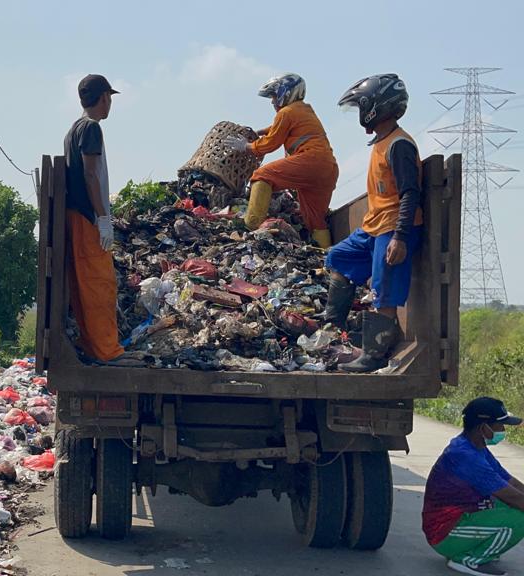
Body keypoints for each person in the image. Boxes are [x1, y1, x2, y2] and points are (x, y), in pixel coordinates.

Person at [324, 73, 423, 373]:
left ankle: (373, 356)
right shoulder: (381, 142)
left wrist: (400, 238)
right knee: (337, 257)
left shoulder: (399, 145)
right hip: (374, 227)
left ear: (378, 107)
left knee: (382, 292)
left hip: (394, 228)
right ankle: (333, 328)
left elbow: (410, 193)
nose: (359, 114)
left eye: (361, 107)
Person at [63, 73, 143, 367]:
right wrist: (102, 218)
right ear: (104, 98)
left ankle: (93, 346)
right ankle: (107, 351)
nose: (110, 104)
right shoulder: (91, 129)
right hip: (87, 217)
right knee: (99, 283)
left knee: (85, 283)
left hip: (78, 217)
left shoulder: (74, 129)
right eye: (109, 98)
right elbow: (91, 174)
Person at [224, 73, 339, 248]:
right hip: (328, 168)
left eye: (274, 95)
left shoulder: (286, 112)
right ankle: (324, 257)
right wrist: (260, 132)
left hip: (311, 161)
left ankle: (251, 225)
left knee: (262, 175)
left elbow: (270, 144)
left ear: (286, 92)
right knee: (315, 218)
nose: (272, 101)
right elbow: (276, 128)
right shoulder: (303, 110)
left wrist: (247, 146)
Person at [423, 397, 524, 576]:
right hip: (443, 532)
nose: (503, 431)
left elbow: (510, 482)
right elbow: (512, 496)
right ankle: (469, 561)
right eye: (500, 426)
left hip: (461, 518)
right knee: (519, 518)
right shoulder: (465, 456)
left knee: (511, 507)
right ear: (483, 428)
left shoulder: (476, 448)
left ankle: (474, 548)